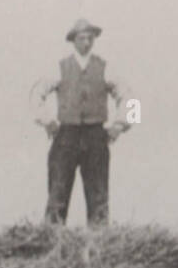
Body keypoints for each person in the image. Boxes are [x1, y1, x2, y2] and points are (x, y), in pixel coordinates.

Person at [30, 18, 133, 226]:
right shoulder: (60, 67)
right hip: (66, 136)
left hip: (96, 136)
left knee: (98, 198)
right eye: (81, 38)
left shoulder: (105, 67)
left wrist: (119, 125)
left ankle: (98, 249)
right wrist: (48, 121)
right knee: (57, 195)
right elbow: (35, 94)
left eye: (90, 38)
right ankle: (53, 245)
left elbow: (129, 97)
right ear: (73, 40)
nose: (86, 42)